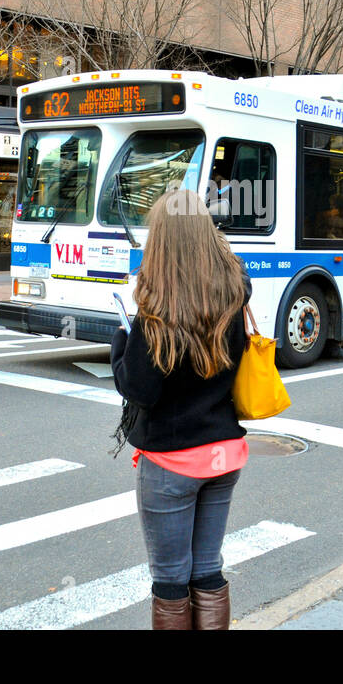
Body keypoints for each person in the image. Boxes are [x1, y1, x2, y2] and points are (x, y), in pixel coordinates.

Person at [110, 188, 251, 630]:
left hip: (172, 462)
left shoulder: (156, 311)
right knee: (207, 568)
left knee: (171, 580)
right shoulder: (233, 293)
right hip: (224, 454)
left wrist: (121, 341)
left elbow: (140, 389)